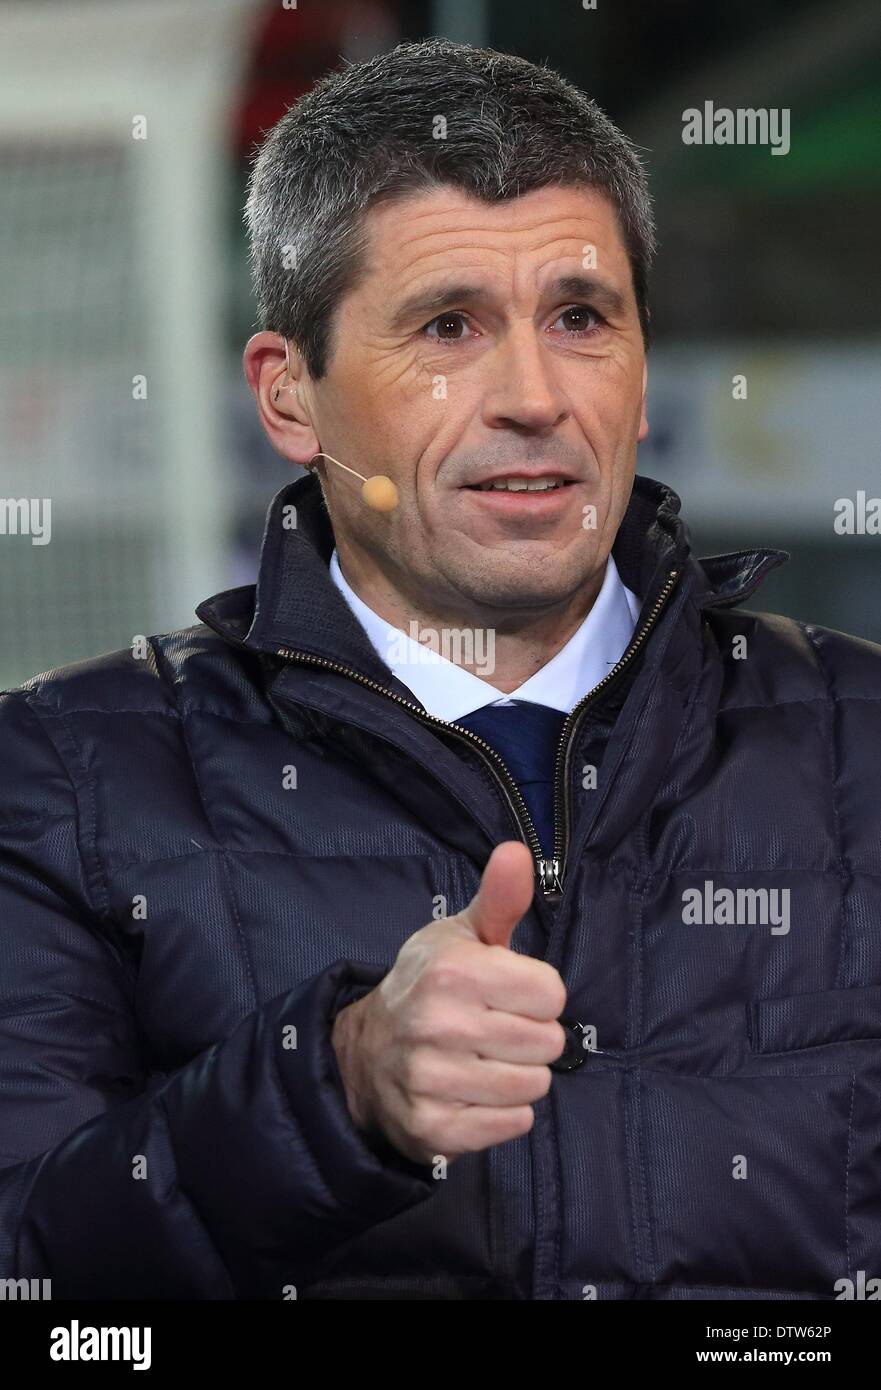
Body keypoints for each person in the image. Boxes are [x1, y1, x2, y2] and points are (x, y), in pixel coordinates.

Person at [1, 39, 879, 1302]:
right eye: (447, 326)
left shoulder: (857, 736)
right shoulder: (60, 783)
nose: (531, 394)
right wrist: (334, 1087)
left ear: (637, 376)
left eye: (579, 318)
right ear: (290, 395)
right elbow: (35, 1285)